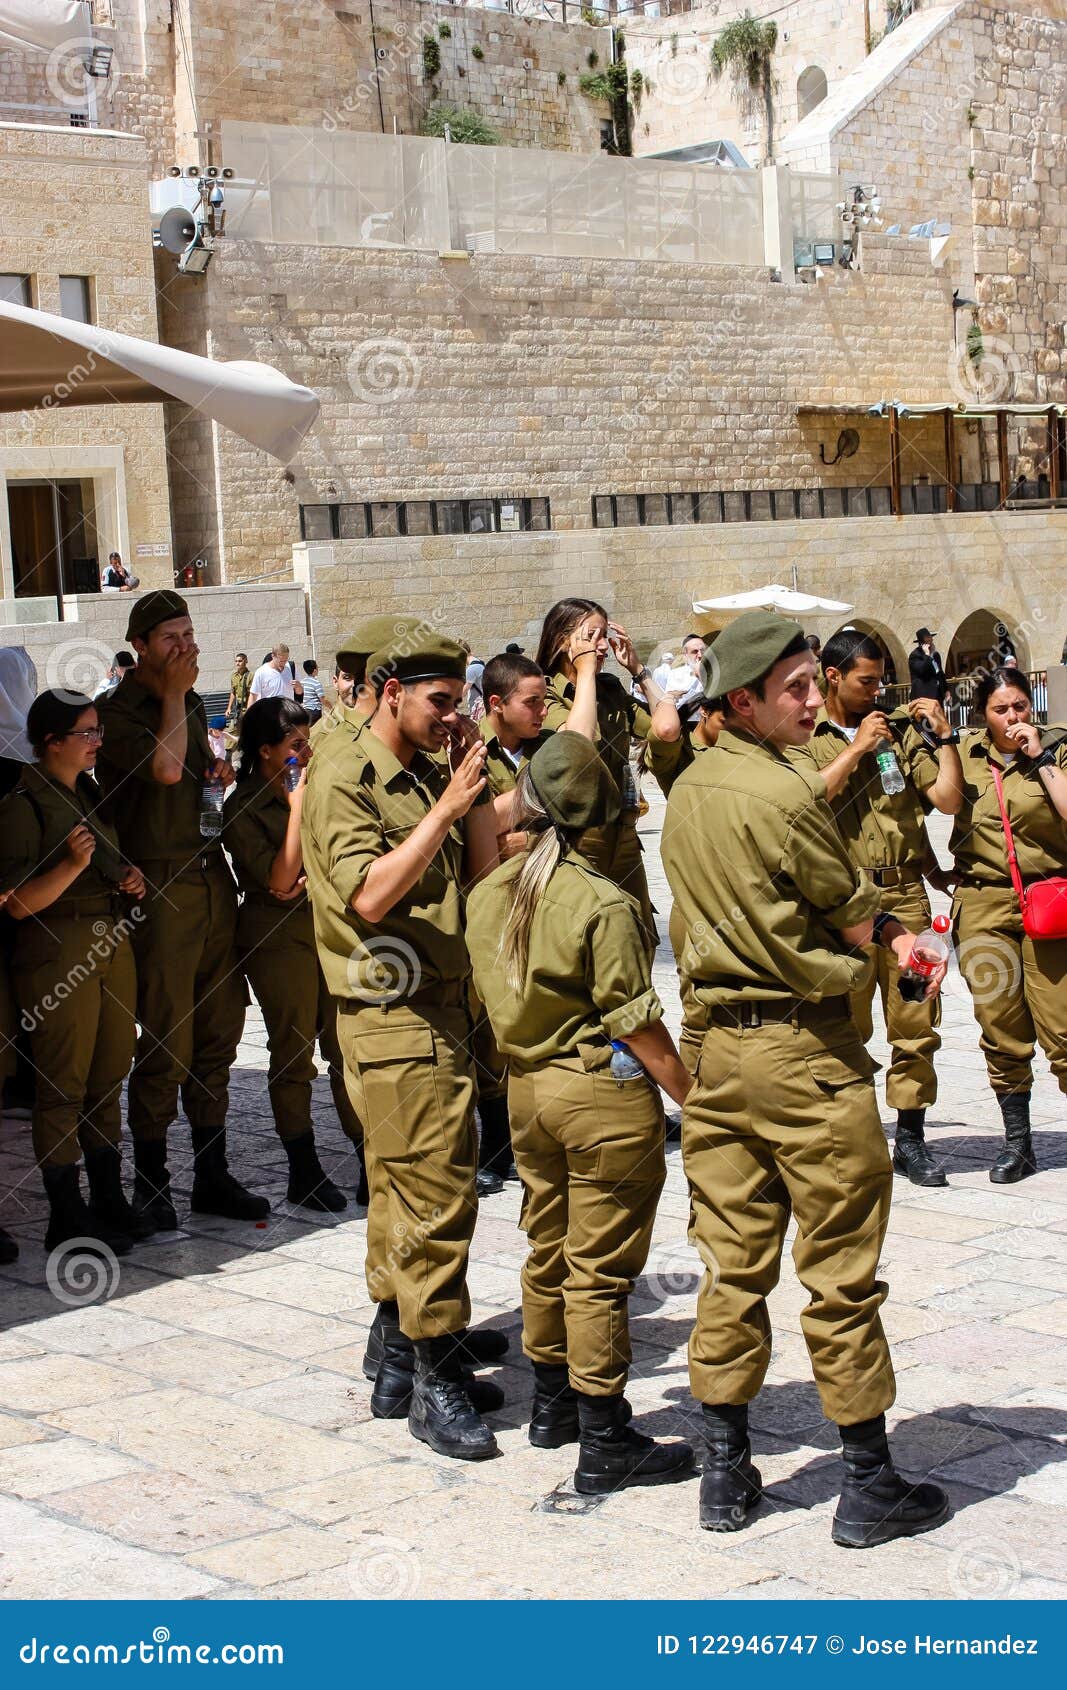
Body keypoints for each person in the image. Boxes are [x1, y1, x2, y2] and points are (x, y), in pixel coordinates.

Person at [662, 610, 950, 1548]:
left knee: (729, 1265)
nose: (807, 699)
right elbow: (853, 912)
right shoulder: (785, 793)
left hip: (718, 1056)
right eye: (790, 688)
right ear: (742, 701)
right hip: (803, 1055)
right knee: (839, 1271)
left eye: (808, 682)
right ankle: (866, 1482)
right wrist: (901, 943)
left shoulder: (691, 787)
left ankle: (722, 1471)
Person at [467, 733, 695, 1493]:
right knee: (600, 1269)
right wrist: (694, 1099)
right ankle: (604, 1438)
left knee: (549, 1246)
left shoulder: (486, 893)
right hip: (599, 1094)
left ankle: (553, 1403)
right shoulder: (601, 902)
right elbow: (636, 1023)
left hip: (527, 1092)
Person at [301, 625, 507, 1457]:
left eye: (458, 701)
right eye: (438, 701)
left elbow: (483, 871)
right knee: (436, 1198)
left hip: (438, 1006)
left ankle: (397, 1356)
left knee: (402, 1190)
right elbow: (371, 894)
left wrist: (472, 787)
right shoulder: (344, 777)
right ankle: (436, 1381)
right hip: (394, 1015)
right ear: (391, 692)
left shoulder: (424, 771)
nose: (449, 715)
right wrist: (446, 809)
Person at [95, 590, 266, 1229]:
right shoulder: (117, 713)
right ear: (139, 646)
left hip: (208, 877)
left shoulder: (190, 705)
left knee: (219, 1032)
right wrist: (172, 695)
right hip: (159, 888)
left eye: (189, 634)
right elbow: (165, 771)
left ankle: (211, 1174)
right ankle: (152, 1180)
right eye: (171, 637)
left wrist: (215, 778)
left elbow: (193, 780)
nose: (185, 647)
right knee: (167, 1037)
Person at [790, 630, 964, 1187]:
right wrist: (857, 749)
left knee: (916, 1016)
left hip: (906, 901)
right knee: (843, 1021)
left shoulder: (899, 733)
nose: (878, 691)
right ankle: (850, 1134)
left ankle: (910, 1139)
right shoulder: (805, 736)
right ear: (833, 676)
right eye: (867, 681)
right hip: (841, 906)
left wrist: (945, 738)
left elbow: (946, 799)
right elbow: (801, 802)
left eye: (882, 681)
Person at [0, 689, 147, 1258]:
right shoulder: (23, 805)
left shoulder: (87, 791)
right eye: (86, 733)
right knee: (63, 1087)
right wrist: (71, 866)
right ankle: (65, 1212)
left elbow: (105, 861)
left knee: (107, 1078)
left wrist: (126, 875)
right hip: (57, 951)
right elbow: (16, 902)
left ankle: (108, 1198)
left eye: (97, 731)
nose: (96, 742)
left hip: (108, 941)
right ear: (51, 741)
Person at [223, 698, 367, 1212]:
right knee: (294, 1051)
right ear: (265, 751)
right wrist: (298, 810)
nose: (307, 753)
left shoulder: (315, 786)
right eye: (296, 745)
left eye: (309, 742)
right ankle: (302, 1169)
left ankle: (368, 1157)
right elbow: (281, 877)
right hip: (276, 936)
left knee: (346, 1046)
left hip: (325, 924)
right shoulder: (243, 807)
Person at [948, 665, 1067, 1181]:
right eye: (1001, 709)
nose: (1013, 716)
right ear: (983, 715)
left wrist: (1039, 758)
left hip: (1050, 899)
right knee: (1000, 1027)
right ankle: (1019, 1144)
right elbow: (921, 802)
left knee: (1063, 1026)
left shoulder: (1058, 747)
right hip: (984, 903)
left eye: (1020, 705)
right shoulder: (963, 755)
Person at [537, 598, 669, 943]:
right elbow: (577, 744)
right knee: (587, 937)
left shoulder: (610, 689)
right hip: (575, 839)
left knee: (639, 935)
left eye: (604, 635)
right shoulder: (544, 693)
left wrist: (639, 671)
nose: (602, 646)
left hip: (623, 833)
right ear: (562, 640)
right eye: (591, 635)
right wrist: (583, 672)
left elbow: (665, 727)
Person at [470, 650, 552, 1194]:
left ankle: (535, 1135)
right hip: (491, 907)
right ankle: (496, 1144)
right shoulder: (468, 754)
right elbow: (471, 835)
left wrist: (530, 838)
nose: (543, 711)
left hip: (545, 905)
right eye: (532, 702)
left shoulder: (550, 750)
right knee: (487, 1031)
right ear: (497, 704)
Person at [909, 627, 948, 705]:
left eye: (931, 640)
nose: (931, 643)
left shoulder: (935, 655)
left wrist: (946, 690)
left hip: (938, 695)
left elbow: (940, 672)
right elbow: (922, 670)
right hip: (924, 696)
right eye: (928, 641)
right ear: (922, 644)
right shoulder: (915, 656)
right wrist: (927, 655)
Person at [227, 653, 251, 726]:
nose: (237, 663)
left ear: (246, 661)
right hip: (238, 708)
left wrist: (249, 709)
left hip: (248, 706)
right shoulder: (234, 676)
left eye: (240, 661)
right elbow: (233, 692)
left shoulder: (251, 676)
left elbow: (252, 694)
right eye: (236, 661)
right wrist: (229, 708)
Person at [300, 660, 324, 724]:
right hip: (315, 711)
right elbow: (322, 700)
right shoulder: (316, 683)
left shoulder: (302, 682)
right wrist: (331, 707)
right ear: (315, 670)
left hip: (305, 711)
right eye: (317, 667)